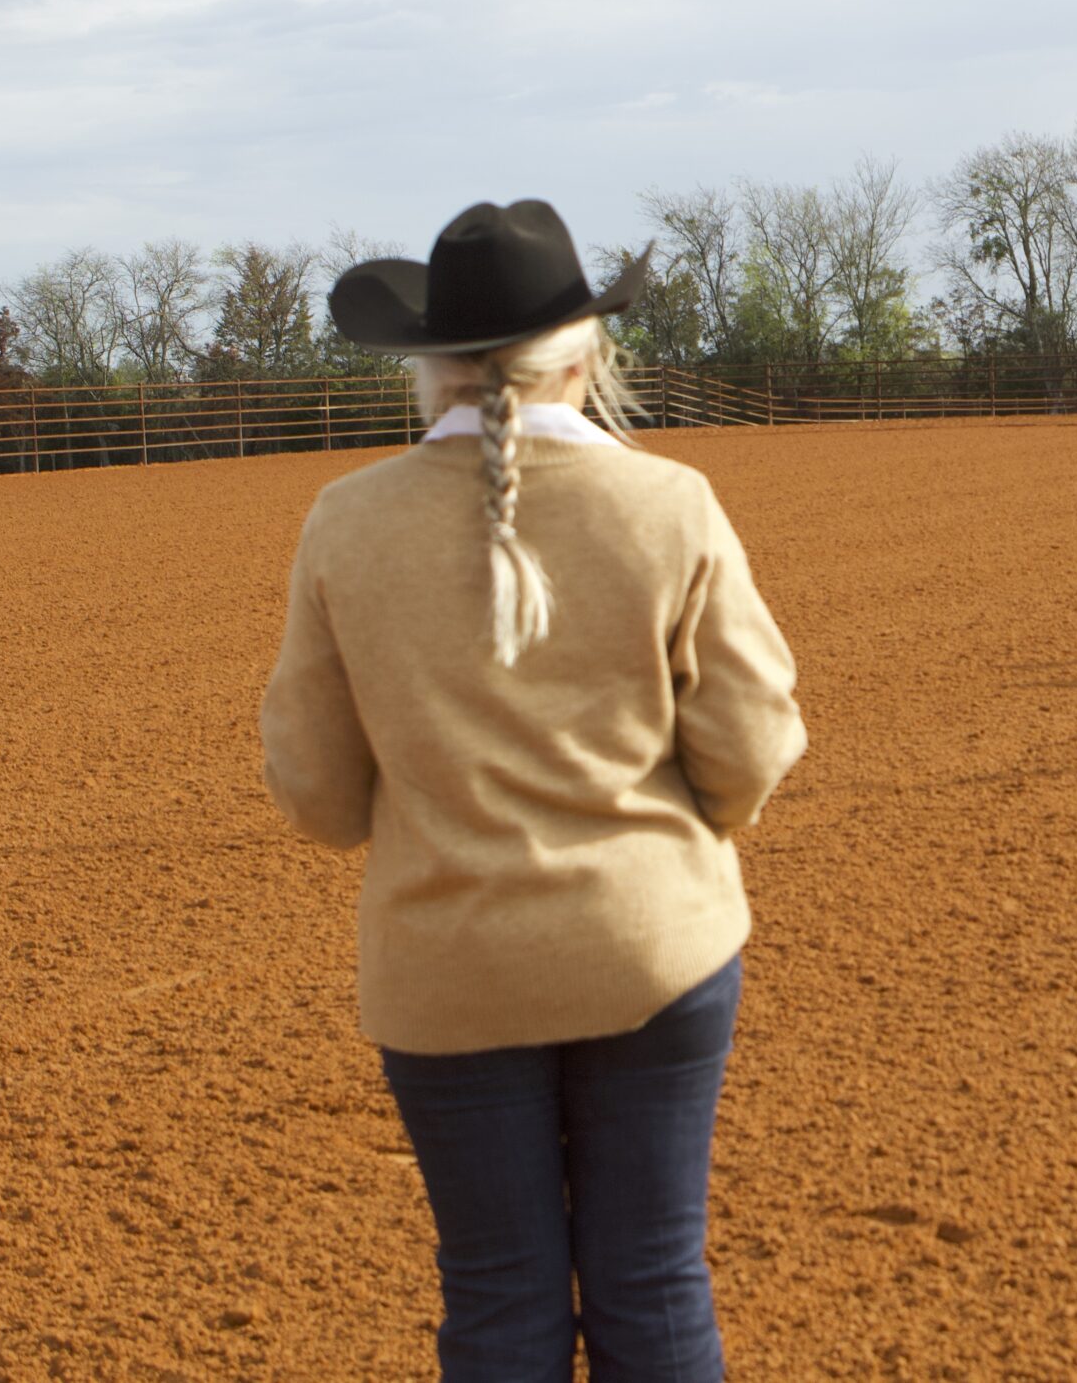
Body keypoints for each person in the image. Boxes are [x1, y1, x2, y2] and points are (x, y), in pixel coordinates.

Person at [260, 199, 807, 1382]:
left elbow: (316, 793)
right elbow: (753, 743)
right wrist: (689, 834)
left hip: (446, 965)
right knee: (653, 1280)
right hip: (654, 947)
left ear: (427, 370)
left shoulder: (347, 524)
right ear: (584, 356)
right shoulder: (669, 504)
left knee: (498, 1293)